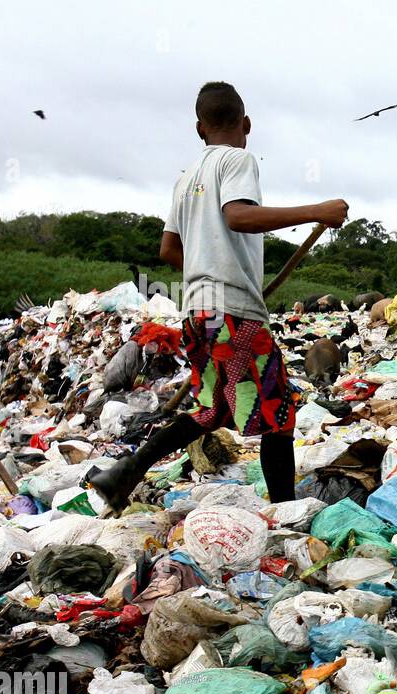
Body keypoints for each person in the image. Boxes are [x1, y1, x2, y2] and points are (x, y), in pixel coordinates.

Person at [89, 81, 349, 512]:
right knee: (279, 413)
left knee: (212, 408)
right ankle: (286, 512)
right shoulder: (238, 159)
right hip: (235, 310)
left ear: (199, 129)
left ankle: (124, 473)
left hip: (199, 311)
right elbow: (239, 216)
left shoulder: (186, 178)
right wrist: (314, 211)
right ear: (246, 124)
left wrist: (206, 272)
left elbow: (169, 250)